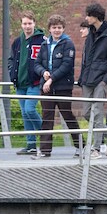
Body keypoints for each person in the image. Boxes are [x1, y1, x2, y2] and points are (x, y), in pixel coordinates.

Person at [77, 3, 107, 158]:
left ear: (96, 17)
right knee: (86, 113)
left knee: (97, 114)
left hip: (100, 81)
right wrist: (82, 78)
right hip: (88, 80)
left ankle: (96, 148)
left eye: (88, 15)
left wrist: (105, 81)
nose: (86, 18)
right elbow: (86, 58)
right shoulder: (91, 34)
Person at [33, 14, 81, 158]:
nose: (57, 30)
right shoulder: (45, 44)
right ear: (49, 29)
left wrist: (51, 79)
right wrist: (43, 72)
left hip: (62, 87)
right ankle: (45, 150)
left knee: (67, 115)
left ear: (63, 29)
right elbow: (37, 64)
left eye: (59, 27)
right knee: (47, 117)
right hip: (47, 87)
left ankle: (81, 146)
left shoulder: (68, 44)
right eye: (54, 28)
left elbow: (66, 65)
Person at [8, 13, 47, 155]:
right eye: (24, 23)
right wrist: (11, 71)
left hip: (34, 82)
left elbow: (46, 59)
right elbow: (11, 59)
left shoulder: (42, 40)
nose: (27, 26)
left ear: (34, 23)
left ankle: (46, 133)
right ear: (21, 25)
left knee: (30, 110)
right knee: (25, 113)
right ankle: (30, 144)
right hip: (20, 83)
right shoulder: (18, 41)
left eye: (29, 23)